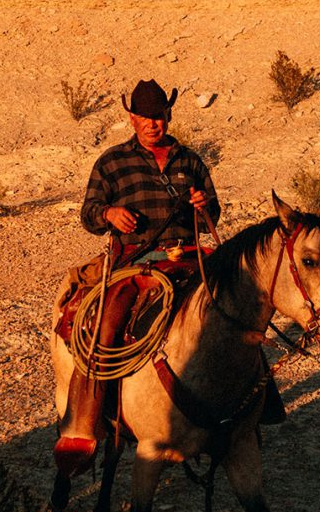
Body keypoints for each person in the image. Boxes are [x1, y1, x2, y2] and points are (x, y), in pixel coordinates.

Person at [54, 79, 221, 476]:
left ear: (168, 116)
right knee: (104, 328)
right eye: (145, 117)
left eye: (158, 116)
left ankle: (252, 407)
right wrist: (110, 215)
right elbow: (89, 213)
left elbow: (214, 211)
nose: (152, 124)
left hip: (189, 257)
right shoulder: (112, 162)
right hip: (135, 262)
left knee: (238, 306)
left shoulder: (191, 161)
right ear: (132, 118)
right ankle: (84, 426)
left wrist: (204, 205)